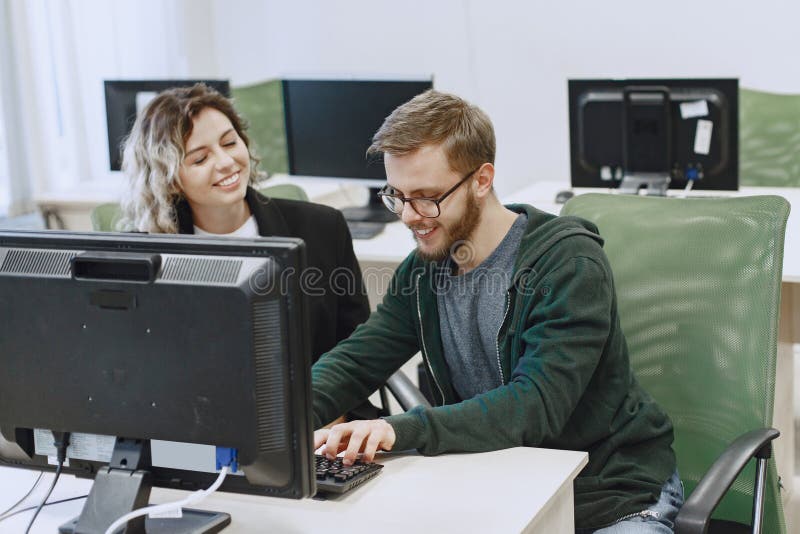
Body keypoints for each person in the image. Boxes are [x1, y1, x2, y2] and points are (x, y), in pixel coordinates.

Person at [311, 90, 683, 532]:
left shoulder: (567, 265)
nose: (410, 216)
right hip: (502, 488)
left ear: (482, 179)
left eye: (427, 197)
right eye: (398, 196)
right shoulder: (424, 270)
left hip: (610, 491)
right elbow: (356, 361)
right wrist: (282, 421)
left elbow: (535, 405)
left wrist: (399, 430)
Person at [118, 83, 373, 396]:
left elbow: (358, 348)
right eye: (200, 159)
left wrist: (334, 410)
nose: (226, 162)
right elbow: (141, 365)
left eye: (230, 142)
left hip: (316, 417)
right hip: (198, 425)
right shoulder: (148, 257)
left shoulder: (321, 228)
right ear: (169, 179)